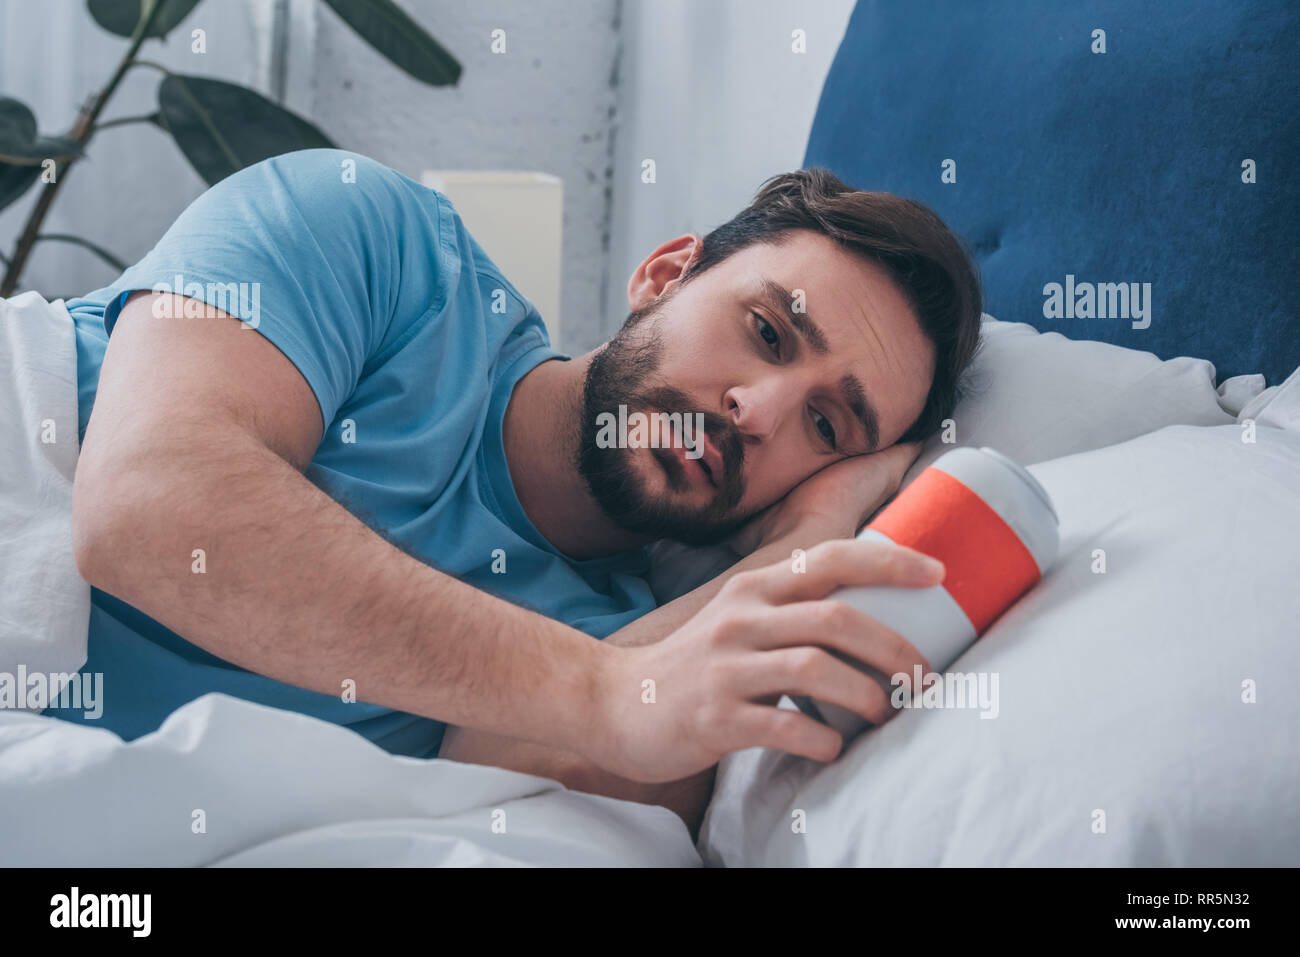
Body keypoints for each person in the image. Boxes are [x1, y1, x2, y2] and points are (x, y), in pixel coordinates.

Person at [55, 149, 982, 836]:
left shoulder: (625, 637)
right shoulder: (380, 244)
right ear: (664, 276)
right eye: (768, 332)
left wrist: (800, 554)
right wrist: (603, 691)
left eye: (826, 427)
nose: (757, 411)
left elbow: (472, 797)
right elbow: (147, 502)